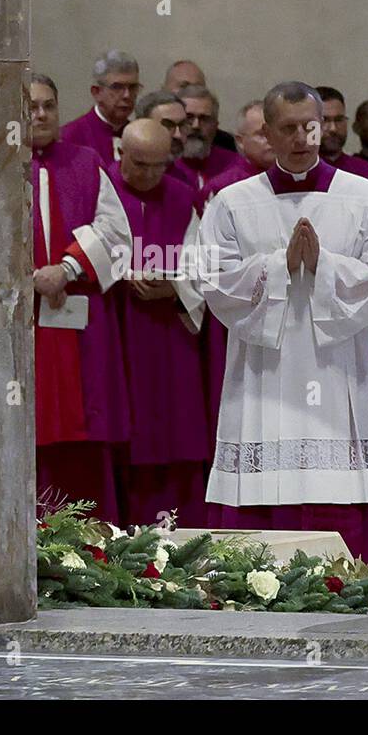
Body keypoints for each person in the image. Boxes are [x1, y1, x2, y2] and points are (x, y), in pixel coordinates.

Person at [198, 81, 368, 564]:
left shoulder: (367, 198)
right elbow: (214, 280)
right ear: (266, 133)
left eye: (309, 126)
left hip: (337, 365)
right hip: (263, 369)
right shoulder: (232, 203)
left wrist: (323, 266)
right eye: (288, 128)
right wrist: (279, 265)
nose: (301, 138)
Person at [31, 74, 134, 521]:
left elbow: (116, 233)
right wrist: (28, 277)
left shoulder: (85, 161)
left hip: (80, 320)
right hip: (23, 322)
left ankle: (93, 546)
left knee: (83, 434)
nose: (40, 115)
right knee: (26, 430)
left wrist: (67, 268)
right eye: (29, 106)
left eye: (48, 106)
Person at [109, 119, 210, 526]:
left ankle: (184, 535)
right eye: (140, 164)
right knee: (125, 431)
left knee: (176, 429)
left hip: (170, 336)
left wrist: (174, 288)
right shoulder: (103, 191)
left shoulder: (182, 196)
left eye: (159, 165)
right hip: (121, 329)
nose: (150, 175)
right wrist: (122, 272)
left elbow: (202, 264)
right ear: (121, 154)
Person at [196, 100, 277, 455]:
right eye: (261, 133)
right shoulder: (224, 189)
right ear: (241, 141)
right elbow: (213, 263)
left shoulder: (295, 186)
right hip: (235, 314)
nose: (271, 140)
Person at [61, 50, 141, 166]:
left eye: (133, 87)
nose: (127, 95)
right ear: (96, 92)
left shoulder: (140, 137)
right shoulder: (70, 137)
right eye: (117, 87)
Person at [167, 84, 237, 190]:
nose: (196, 126)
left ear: (216, 125)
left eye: (204, 119)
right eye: (189, 117)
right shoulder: (160, 165)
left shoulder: (235, 166)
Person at [164, 59, 237, 151]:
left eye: (198, 87)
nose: (191, 92)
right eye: (184, 86)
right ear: (164, 90)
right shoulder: (150, 134)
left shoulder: (225, 144)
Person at [314, 87, 368, 182]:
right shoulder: (297, 172)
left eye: (339, 120)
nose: (333, 129)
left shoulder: (366, 173)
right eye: (324, 120)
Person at [134, 90, 187, 161]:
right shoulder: (122, 171)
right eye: (167, 126)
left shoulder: (185, 171)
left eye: (182, 125)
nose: (178, 135)